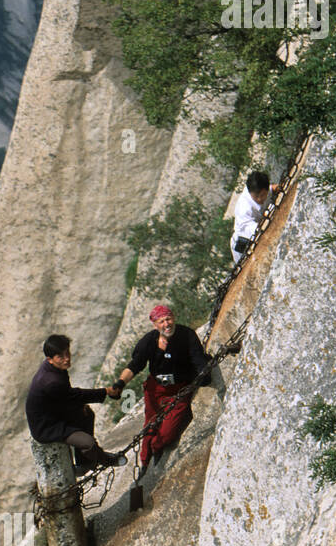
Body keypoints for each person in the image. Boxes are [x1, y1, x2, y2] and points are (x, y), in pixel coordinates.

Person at [109, 305, 211, 476]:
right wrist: (120, 383)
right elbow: (135, 365)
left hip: (179, 390)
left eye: (168, 319)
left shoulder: (186, 335)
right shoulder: (149, 341)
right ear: (155, 325)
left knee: (168, 432)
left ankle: (156, 447)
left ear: (174, 318)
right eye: (161, 321)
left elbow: (197, 357)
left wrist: (204, 373)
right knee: (150, 424)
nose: (166, 324)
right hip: (155, 389)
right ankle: (144, 461)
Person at [25, 334, 126, 471]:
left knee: (87, 414)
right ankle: (106, 460)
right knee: (88, 443)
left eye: (67, 353)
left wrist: (79, 405)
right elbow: (74, 395)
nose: (66, 359)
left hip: (55, 413)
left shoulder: (53, 368)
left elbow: (67, 397)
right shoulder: (51, 381)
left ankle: (84, 462)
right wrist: (106, 391)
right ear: (50, 359)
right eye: (61, 356)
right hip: (47, 427)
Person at [230, 171, 280, 264]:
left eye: (262, 195)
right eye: (256, 196)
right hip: (243, 244)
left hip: (256, 233)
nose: (259, 199)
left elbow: (273, 188)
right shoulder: (244, 209)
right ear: (250, 193)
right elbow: (257, 230)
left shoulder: (262, 188)